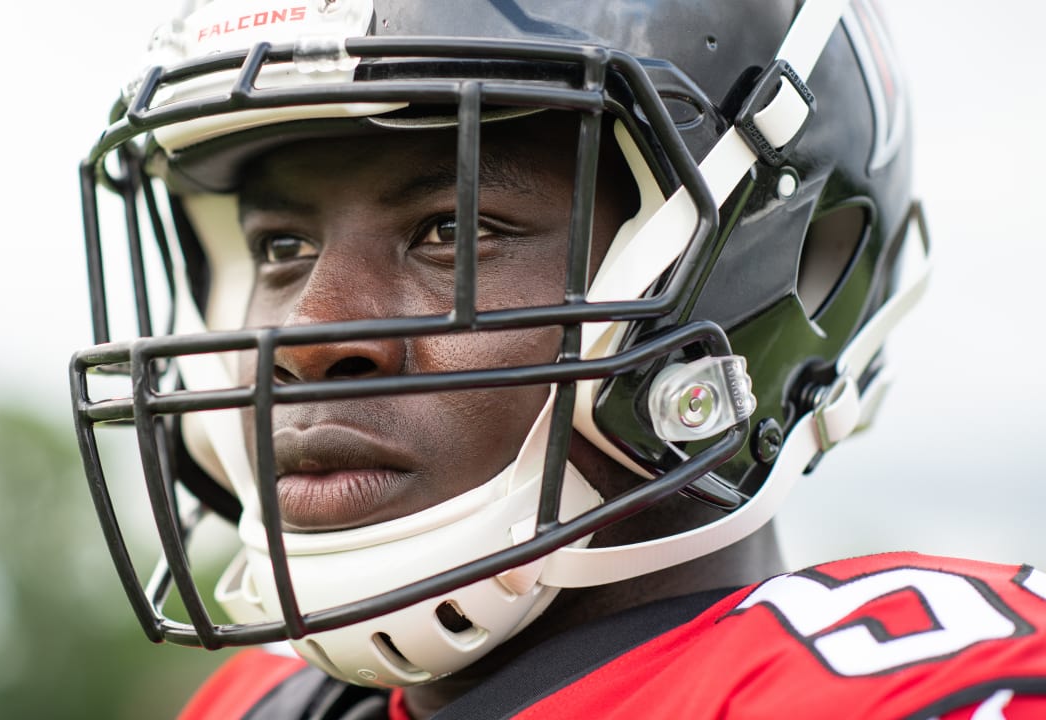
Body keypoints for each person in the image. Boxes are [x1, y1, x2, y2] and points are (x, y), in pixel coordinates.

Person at [69, 0, 1046, 717]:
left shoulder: (906, 694)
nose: (314, 338)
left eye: (453, 228)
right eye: (281, 249)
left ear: (764, 273)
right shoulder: (253, 705)